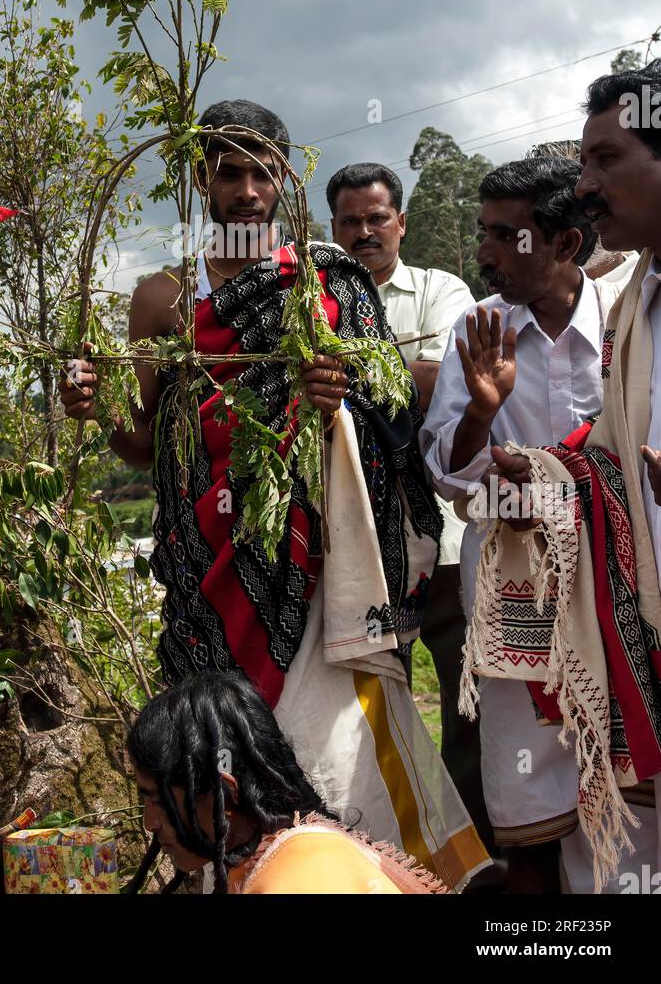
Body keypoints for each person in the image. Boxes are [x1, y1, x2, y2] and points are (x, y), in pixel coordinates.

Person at [61, 99, 489, 890]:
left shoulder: (327, 282)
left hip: (321, 565)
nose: (249, 190)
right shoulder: (163, 298)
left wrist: (343, 395)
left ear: (289, 178)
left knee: (339, 744)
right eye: (230, 172)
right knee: (228, 740)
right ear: (201, 179)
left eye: (264, 172)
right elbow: (150, 443)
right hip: (207, 569)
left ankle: (367, 878)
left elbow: (393, 409)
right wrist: (95, 411)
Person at [466, 64, 661, 892]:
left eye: (606, 159)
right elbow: (612, 450)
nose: (586, 185)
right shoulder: (637, 302)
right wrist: (543, 469)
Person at [421, 156, 631, 893]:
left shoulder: (626, 320)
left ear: (567, 245)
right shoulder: (477, 330)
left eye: (505, 236)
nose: (483, 253)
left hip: (622, 595)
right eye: (483, 233)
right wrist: (482, 407)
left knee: (633, 786)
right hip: (519, 605)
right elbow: (449, 476)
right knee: (531, 813)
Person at [327, 162, 491, 851]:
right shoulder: (315, 300)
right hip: (360, 549)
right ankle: (389, 855)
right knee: (366, 709)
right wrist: (398, 373)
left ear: (401, 223)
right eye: (350, 222)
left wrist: (347, 371)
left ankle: (479, 855)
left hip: (446, 547)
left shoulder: (441, 289)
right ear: (332, 230)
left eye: (377, 218)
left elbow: (452, 382)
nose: (365, 232)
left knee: (469, 709)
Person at [127, 670, 451, 894]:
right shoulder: (275, 855)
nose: (149, 823)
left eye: (158, 800)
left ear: (225, 795)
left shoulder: (303, 875)